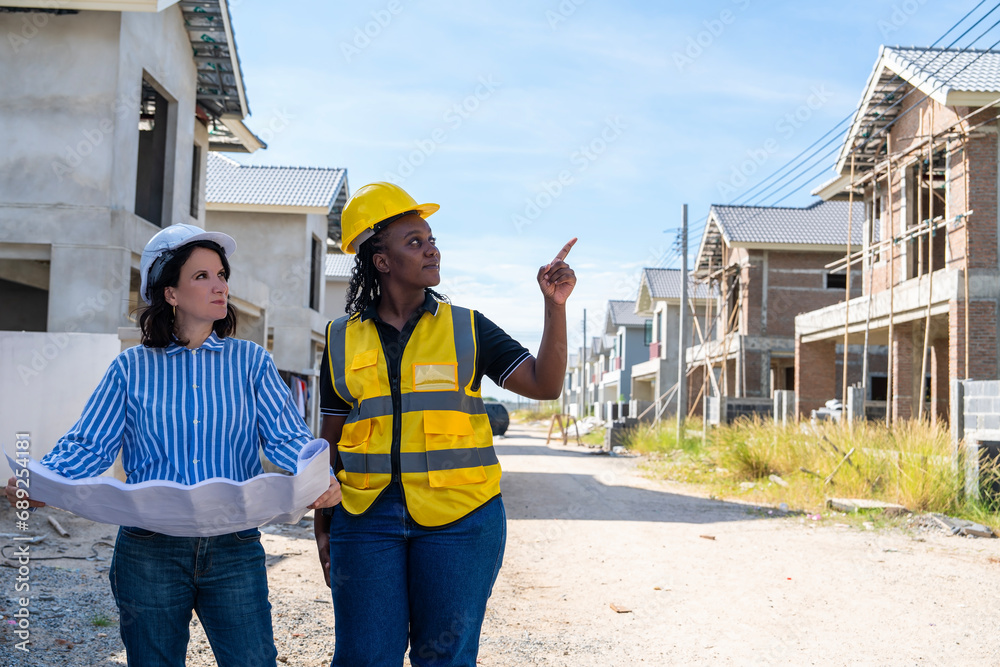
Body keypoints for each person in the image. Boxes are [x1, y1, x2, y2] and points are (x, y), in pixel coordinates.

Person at [5, 223, 341, 667]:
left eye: (222, 274)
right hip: (149, 550)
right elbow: (89, 445)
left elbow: (286, 438)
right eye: (202, 276)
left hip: (233, 546)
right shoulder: (130, 369)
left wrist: (317, 475)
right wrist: (42, 482)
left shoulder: (252, 362)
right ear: (170, 294)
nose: (220, 285)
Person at [314, 182, 576, 666]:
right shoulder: (338, 338)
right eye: (414, 241)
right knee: (364, 657)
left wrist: (554, 307)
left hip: (462, 520)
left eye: (431, 238)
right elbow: (330, 440)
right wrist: (323, 520)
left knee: (446, 658)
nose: (432, 248)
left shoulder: (468, 328)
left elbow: (544, 384)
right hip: (366, 518)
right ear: (381, 260)